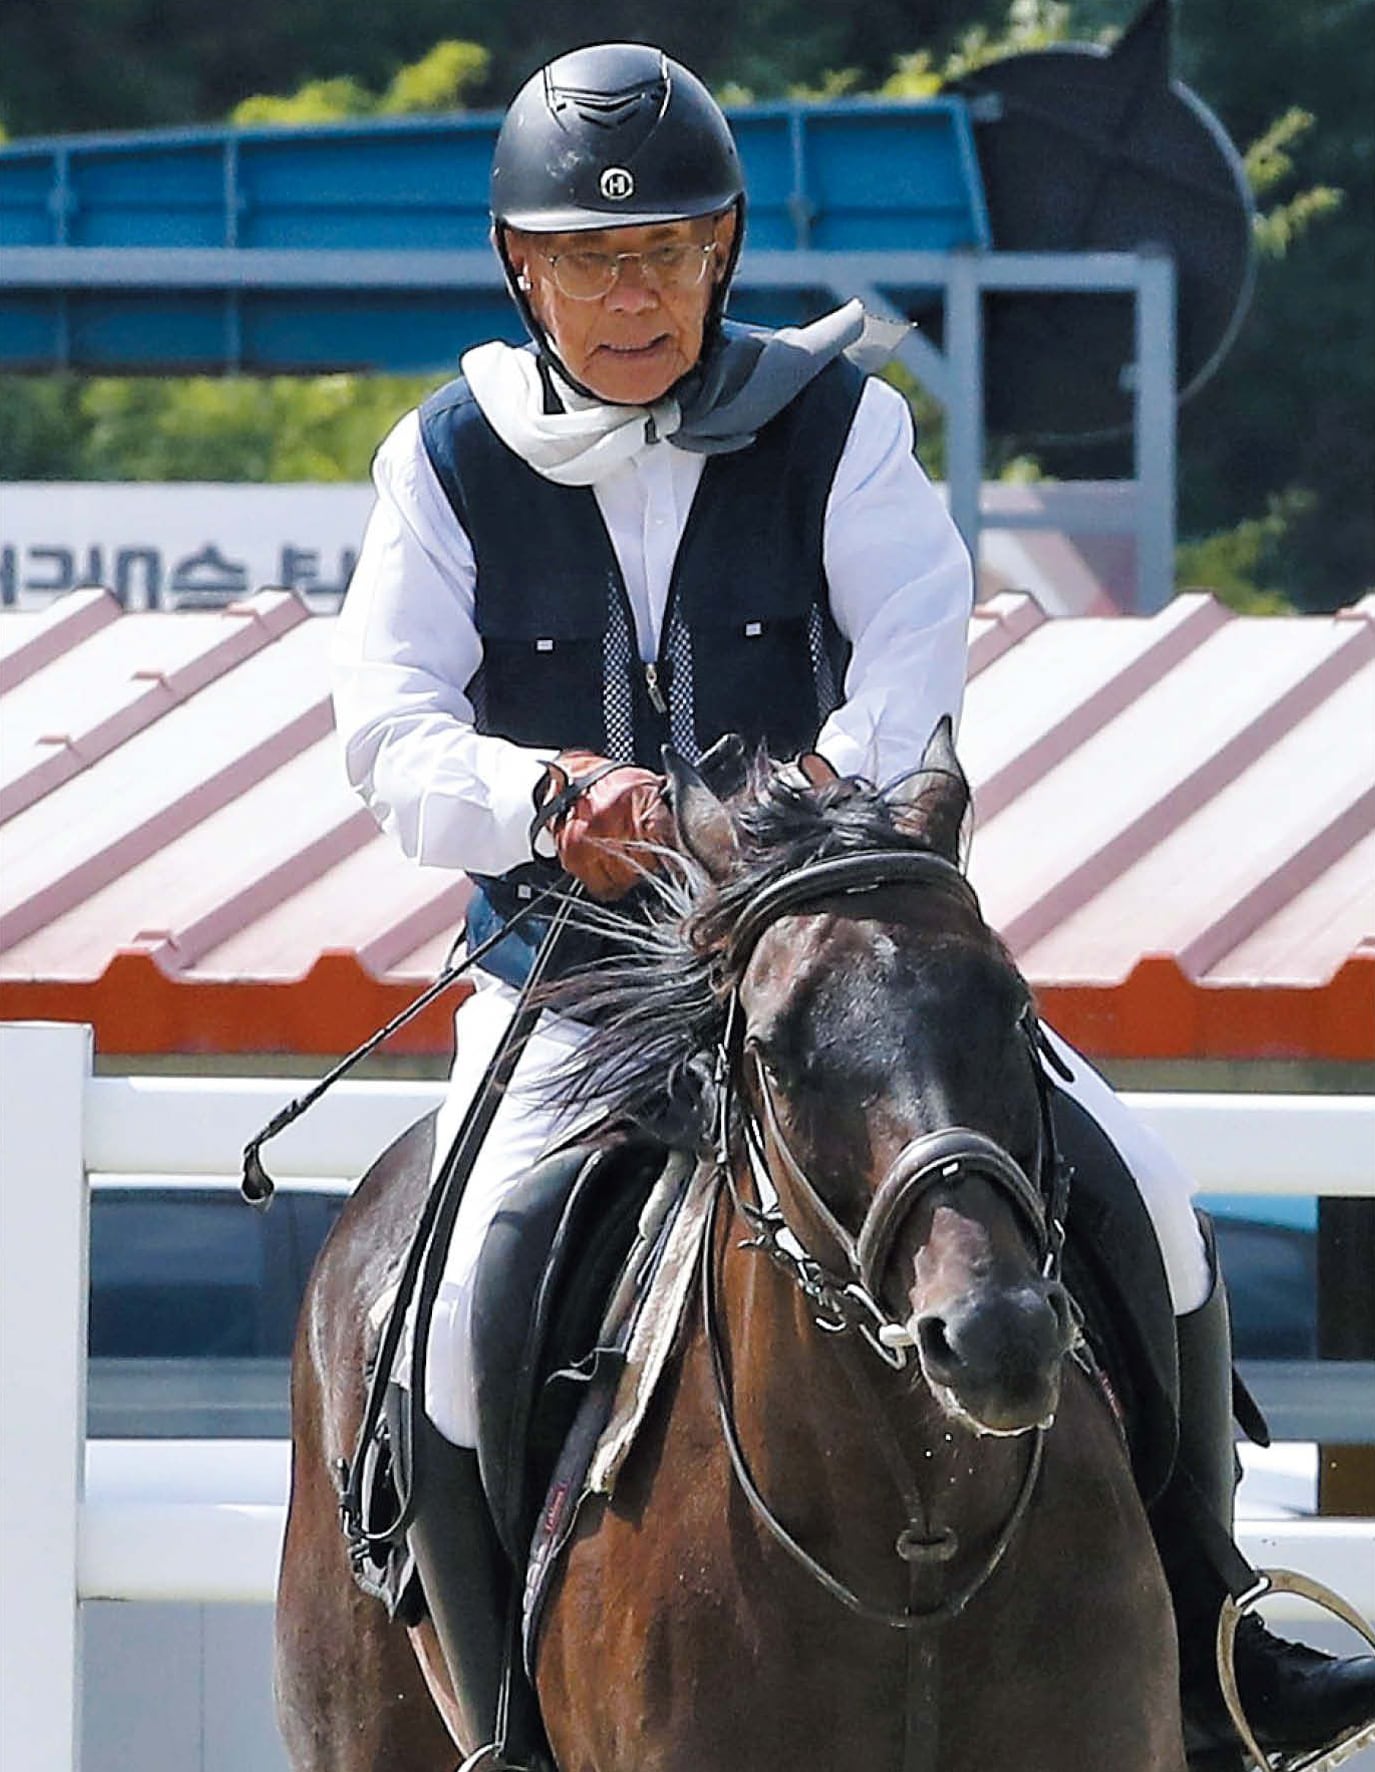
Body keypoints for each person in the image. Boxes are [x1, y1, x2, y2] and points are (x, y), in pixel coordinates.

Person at [332, 41, 1374, 1772]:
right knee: (464, 1293)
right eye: (591, 258)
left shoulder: (840, 421)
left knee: (1155, 1204)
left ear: (724, 249)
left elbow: (912, 654)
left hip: (838, 961)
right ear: (523, 268)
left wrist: (799, 823)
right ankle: (508, 1725)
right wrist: (538, 797)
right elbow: (386, 727)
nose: (631, 291)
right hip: (573, 981)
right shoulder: (441, 459)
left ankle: (1214, 1644)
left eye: (667, 249)